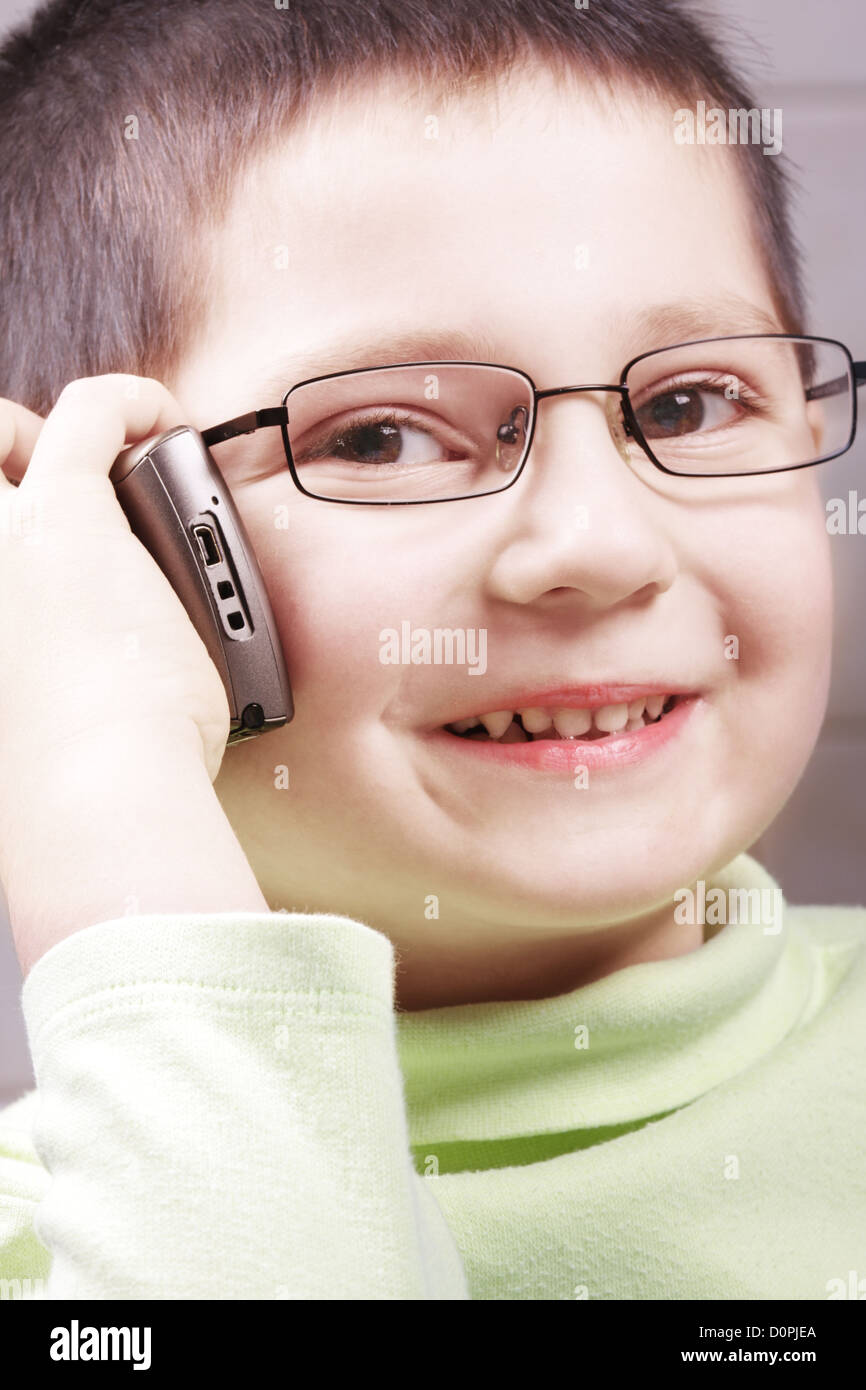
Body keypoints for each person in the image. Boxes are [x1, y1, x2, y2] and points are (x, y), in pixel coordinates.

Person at [0, 0, 863, 1300]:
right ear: (101, 533)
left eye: (688, 402)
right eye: (382, 436)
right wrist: (121, 825)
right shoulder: (70, 1245)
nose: (596, 542)